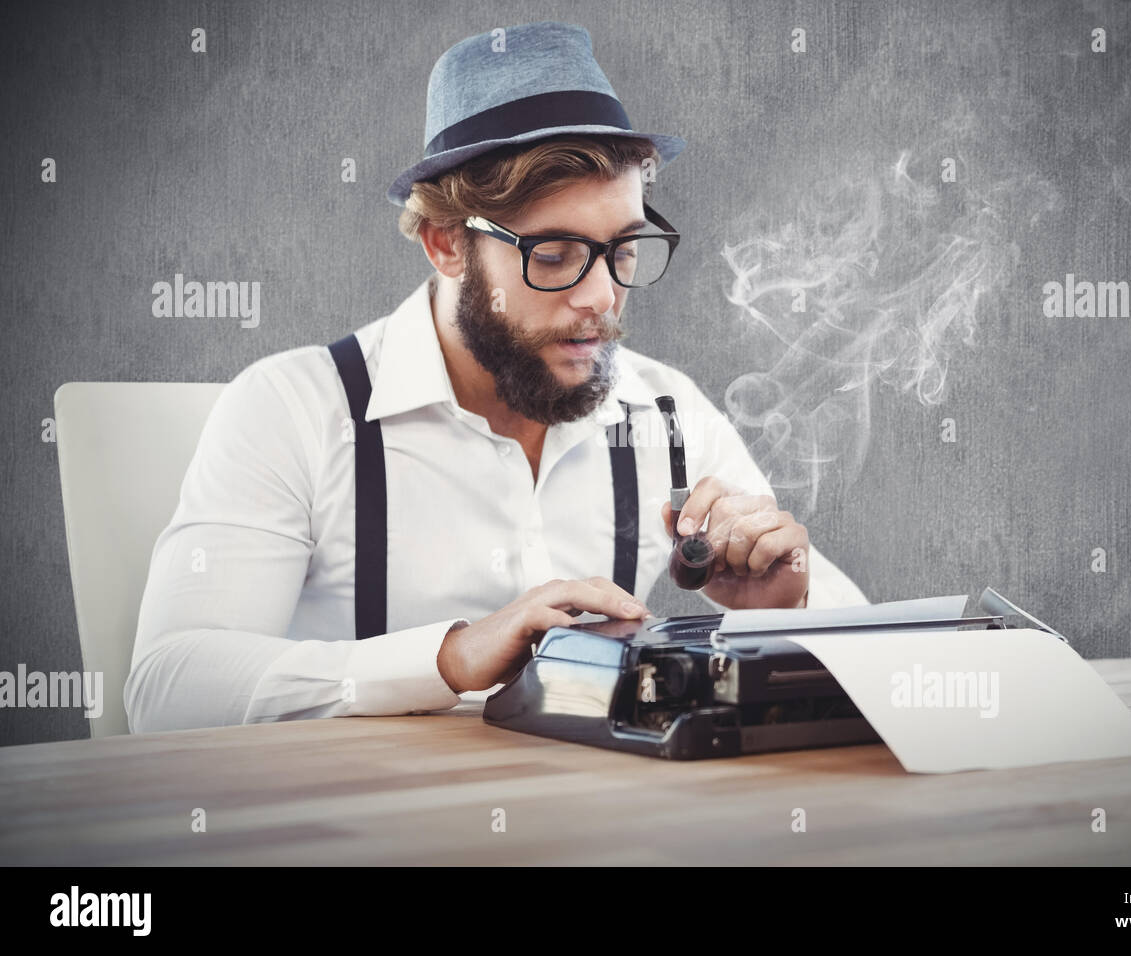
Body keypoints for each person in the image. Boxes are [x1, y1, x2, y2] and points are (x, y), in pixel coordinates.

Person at [125, 20, 868, 733]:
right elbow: (168, 686)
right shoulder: (293, 408)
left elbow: (874, 658)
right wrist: (449, 657)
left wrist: (782, 612)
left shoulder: (666, 411)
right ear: (447, 244)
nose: (601, 297)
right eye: (554, 255)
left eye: (624, 249)